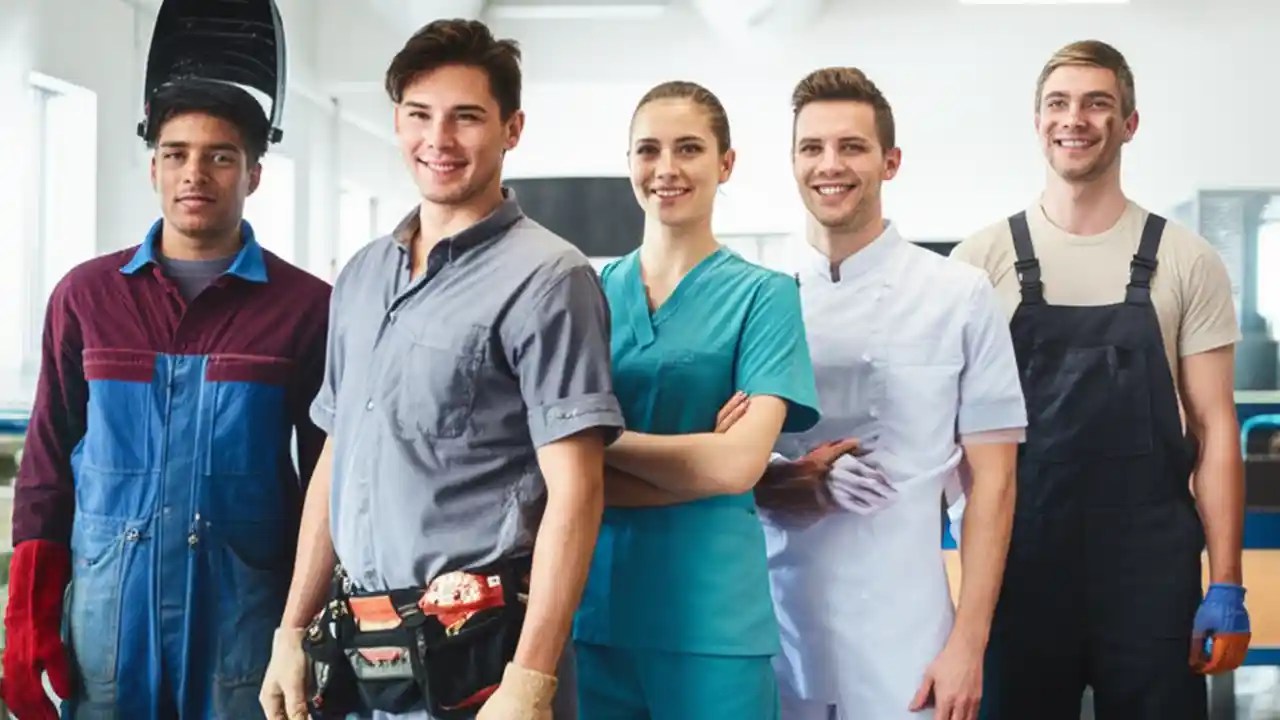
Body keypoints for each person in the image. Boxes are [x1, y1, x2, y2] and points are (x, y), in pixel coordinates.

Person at [256, 18, 624, 720]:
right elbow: (338, 456)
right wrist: (292, 632)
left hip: (481, 661)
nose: (440, 140)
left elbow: (577, 495)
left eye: (467, 118)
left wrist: (531, 681)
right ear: (396, 122)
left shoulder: (550, 279)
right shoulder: (363, 277)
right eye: (420, 115)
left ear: (512, 128)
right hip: (365, 655)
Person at [0, 41, 330, 720]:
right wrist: (28, 616)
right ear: (153, 168)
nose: (195, 173)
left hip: (244, 617)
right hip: (108, 618)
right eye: (177, 154)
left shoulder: (305, 308)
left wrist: (312, 623)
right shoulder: (86, 298)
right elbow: (45, 465)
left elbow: (330, 476)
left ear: (254, 174)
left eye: (220, 156)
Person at [951, 39, 1251, 719]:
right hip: (1017, 571)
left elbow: (1214, 425)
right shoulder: (981, 261)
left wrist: (1226, 582)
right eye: (1058, 103)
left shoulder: (1184, 259)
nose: (1074, 118)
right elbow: (951, 429)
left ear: (1129, 123)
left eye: (1097, 103)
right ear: (1037, 122)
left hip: (1151, 576)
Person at [746, 67, 1026, 720]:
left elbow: (994, 485)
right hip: (775, 632)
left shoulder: (957, 294)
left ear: (889, 161)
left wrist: (969, 643)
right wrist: (790, 478)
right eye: (812, 148)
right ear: (792, 161)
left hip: (911, 639)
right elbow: (725, 463)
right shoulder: (758, 298)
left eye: (852, 146)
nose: (830, 165)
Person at [570, 80, 822, 720]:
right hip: (592, 610)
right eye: (648, 150)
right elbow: (552, 471)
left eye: (689, 149)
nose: (666, 169)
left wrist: (603, 439)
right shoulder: (588, 293)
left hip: (713, 620)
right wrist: (703, 462)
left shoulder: (765, 297)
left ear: (725, 164)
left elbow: (738, 465)